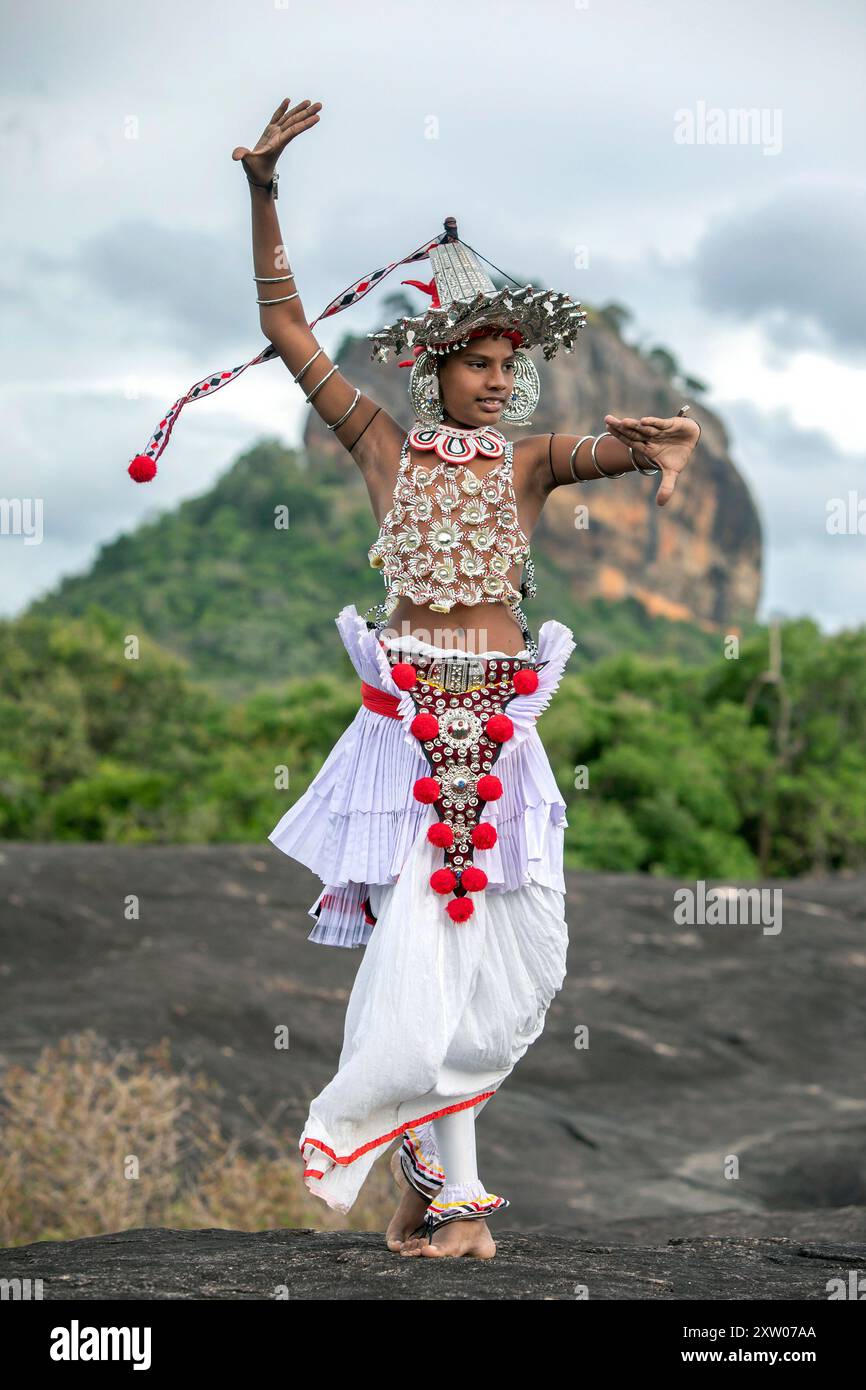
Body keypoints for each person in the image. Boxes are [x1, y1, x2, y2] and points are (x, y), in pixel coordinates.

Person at [128, 98, 701, 1260]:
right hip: (400, 731)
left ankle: (443, 1199)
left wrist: (662, 441)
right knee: (408, 955)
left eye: (511, 365)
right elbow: (287, 326)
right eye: (478, 363)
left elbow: (623, 445)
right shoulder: (382, 447)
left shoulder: (532, 463)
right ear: (432, 367)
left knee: (486, 958)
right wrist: (262, 192)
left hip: (497, 736)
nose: (498, 382)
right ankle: (441, 1199)